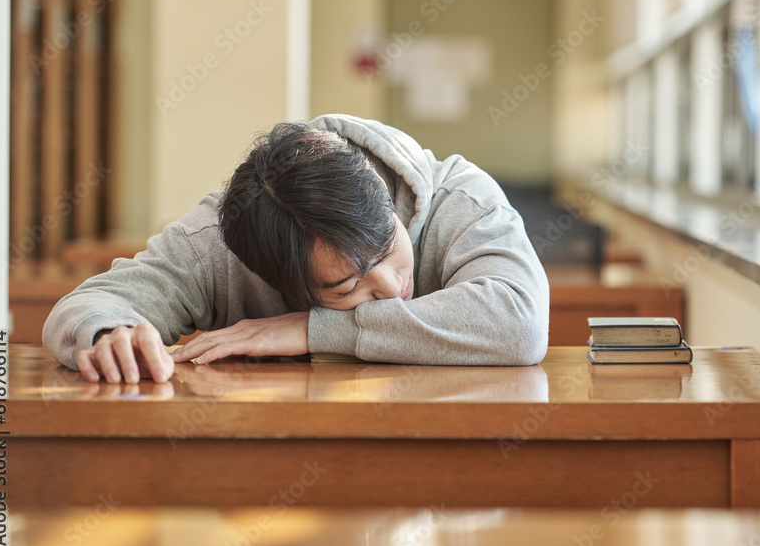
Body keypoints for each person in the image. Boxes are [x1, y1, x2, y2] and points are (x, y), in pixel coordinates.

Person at [43, 114, 550, 383]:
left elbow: (520, 323)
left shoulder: (460, 197)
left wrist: (313, 328)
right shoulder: (222, 244)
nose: (393, 289)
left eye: (387, 246)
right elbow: (86, 305)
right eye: (347, 286)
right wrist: (111, 334)